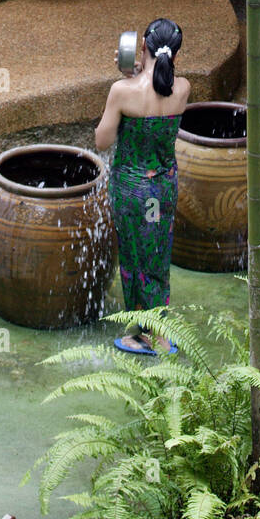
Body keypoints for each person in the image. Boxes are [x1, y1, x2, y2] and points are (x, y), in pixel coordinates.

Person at [95, 18, 190, 354]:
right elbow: (159, 85)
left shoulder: (123, 92)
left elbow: (102, 140)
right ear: (175, 53)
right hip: (164, 187)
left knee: (134, 260)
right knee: (158, 256)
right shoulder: (183, 88)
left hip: (132, 189)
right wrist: (139, 73)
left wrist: (126, 84)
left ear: (143, 48)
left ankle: (151, 335)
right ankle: (156, 326)